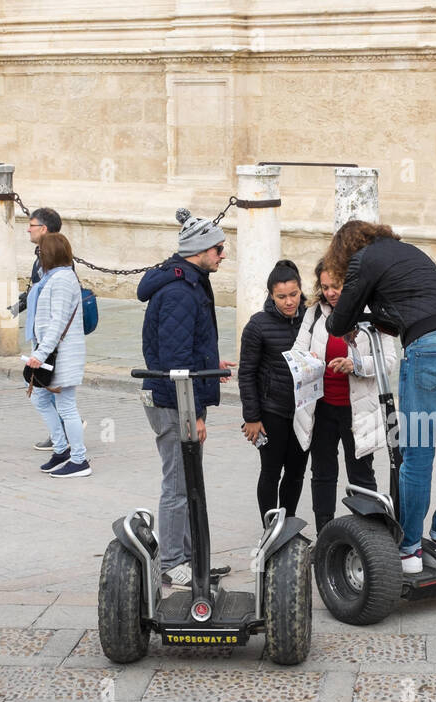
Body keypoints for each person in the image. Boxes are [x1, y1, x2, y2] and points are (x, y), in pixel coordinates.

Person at [323, 220, 436, 574]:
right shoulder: (409, 252)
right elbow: (407, 309)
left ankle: (409, 550)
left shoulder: (363, 259)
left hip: (430, 352)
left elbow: (338, 321)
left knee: (417, 454)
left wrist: (358, 313)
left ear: (345, 249)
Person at [137, 209, 235, 590]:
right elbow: (174, 363)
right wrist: (190, 414)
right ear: (199, 250)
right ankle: (173, 561)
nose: (222, 255)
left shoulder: (190, 282)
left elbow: (184, 347)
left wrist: (211, 362)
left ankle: (192, 558)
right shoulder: (180, 291)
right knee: (178, 482)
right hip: (173, 401)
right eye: (219, 249)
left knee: (189, 479)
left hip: (178, 397)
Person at [292, 259, 397, 536]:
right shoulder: (314, 312)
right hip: (322, 408)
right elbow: (297, 350)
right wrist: (308, 359)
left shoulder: (373, 312)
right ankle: (325, 535)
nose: (330, 293)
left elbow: (388, 360)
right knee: (322, 474)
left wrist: (355, 364)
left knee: (361, 476)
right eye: (325, 287)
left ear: (350, 284)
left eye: (336, 286)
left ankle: (369, 538)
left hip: (358, 410)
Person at [240, 259, 309, 524]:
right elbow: (246, 373)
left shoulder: (311, 320)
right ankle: (270, 527)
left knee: (296, 472)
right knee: (270, 471)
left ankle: (288, 523)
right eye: (281, 297)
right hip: (271, 411)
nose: (289, 301)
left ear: (300, 290)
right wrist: (252, 417)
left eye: (293, 294)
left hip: (304, 410)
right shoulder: (258, 325)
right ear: (271, 295)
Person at [8, 208, 77, 451]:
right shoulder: (47, 254)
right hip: (47, 333)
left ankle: (66, 438)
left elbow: (53, 301)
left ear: (44, 229)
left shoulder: (52, 258)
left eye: (32, 225)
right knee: (49, 389)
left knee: (51, 387)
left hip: (51, 336)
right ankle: (63, 434)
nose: (28, 228)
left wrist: (42, 347)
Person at [25, 233, 90, 478]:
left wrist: (40, 354)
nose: (38, 255)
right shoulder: (51, 278)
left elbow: (58, 321)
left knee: (67, 407)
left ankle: (79, 459)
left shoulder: (62, 279)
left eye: (40, 252)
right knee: (40, 399)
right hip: (50, 351)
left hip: (61, 354)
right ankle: (62, 449)